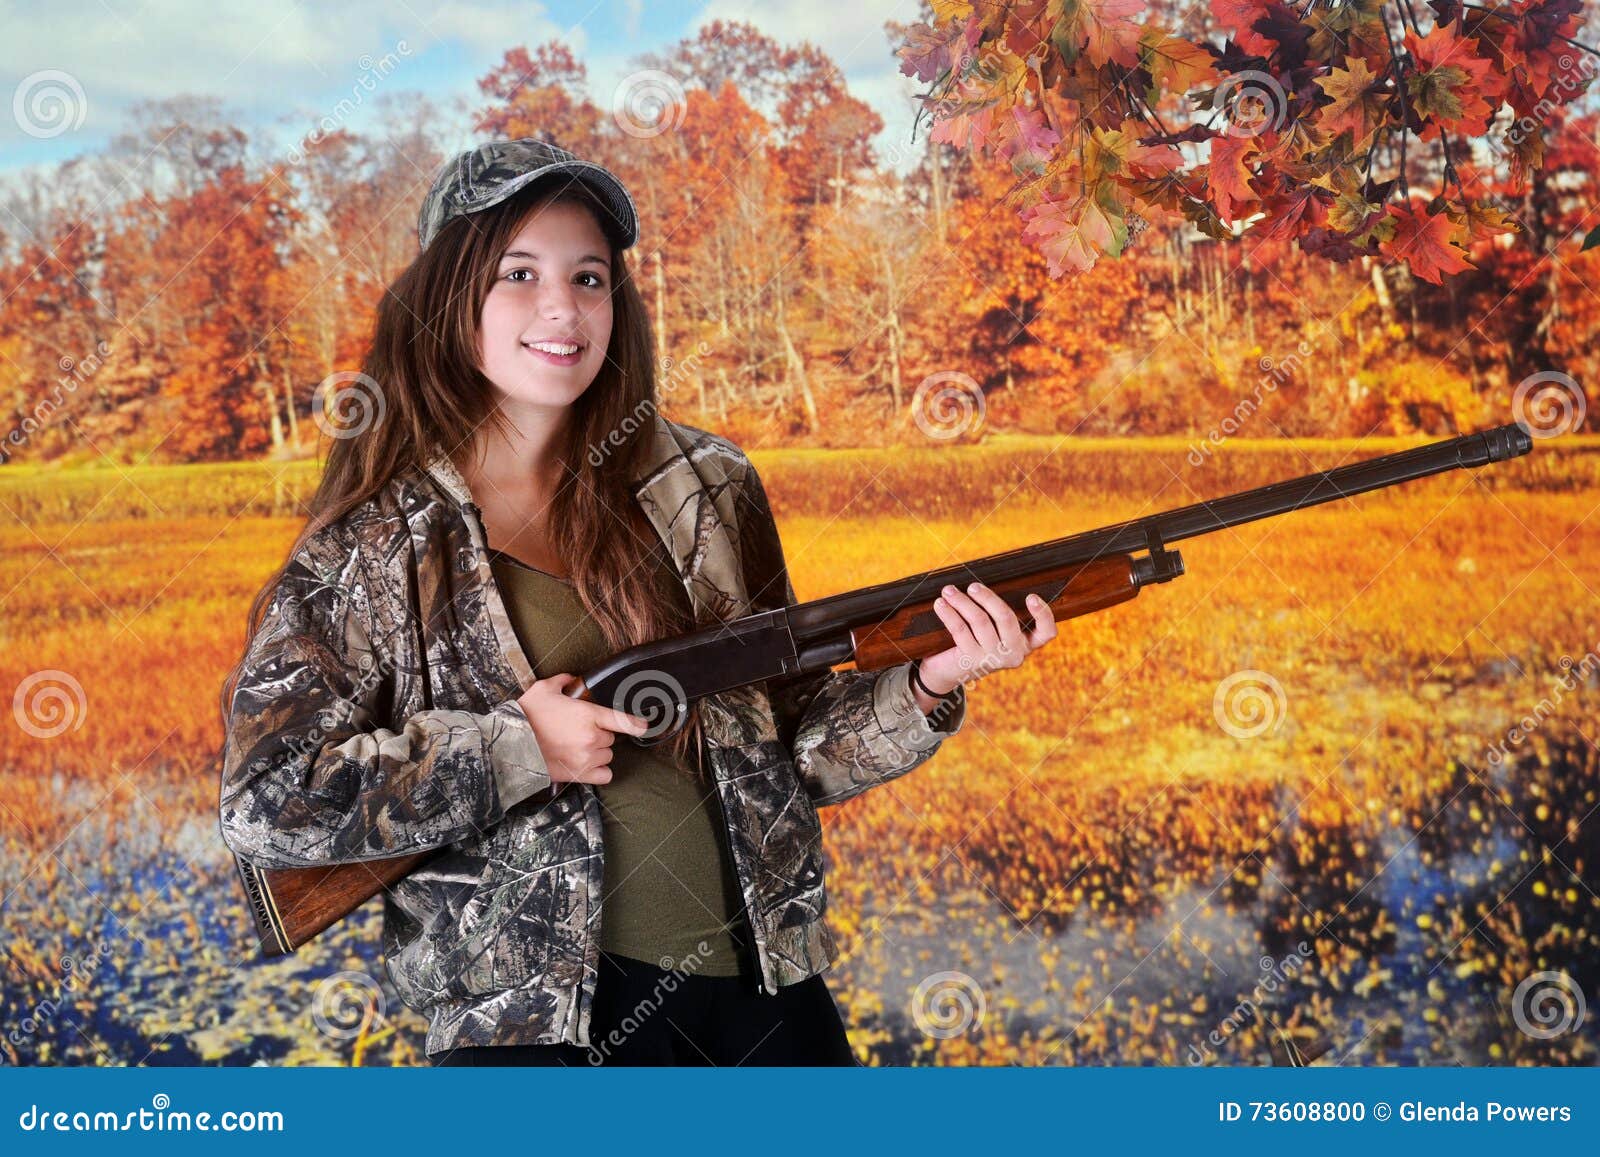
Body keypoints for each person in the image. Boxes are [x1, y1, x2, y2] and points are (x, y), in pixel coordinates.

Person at [217, 137, 1059, 1067]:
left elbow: (786, 754)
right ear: (447, 300)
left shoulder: (707, 487)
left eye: (589, 277)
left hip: (767, 998)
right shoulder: (376, 544)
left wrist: (928, 682)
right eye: (518, 274)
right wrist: (516, 748)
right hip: (533, 1034)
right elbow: (267, 801)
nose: (562, 308)